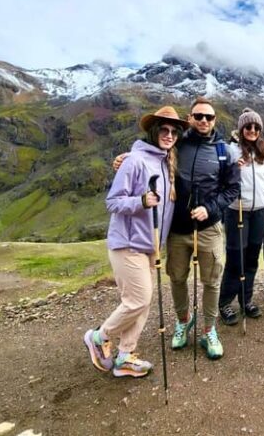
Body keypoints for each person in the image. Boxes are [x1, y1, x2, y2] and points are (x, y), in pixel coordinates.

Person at [113, 97, 240, 360]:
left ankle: (208, 330)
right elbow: (148, 156)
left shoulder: (224, 151)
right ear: (191, 118)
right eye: (198, 116)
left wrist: (211, 209)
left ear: (215, 120)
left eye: (209, 117)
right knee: (178, 278)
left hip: (209, 228)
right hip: (176, 229)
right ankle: (184, 321)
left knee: (211, 281)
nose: (204, 120)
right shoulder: (176, 143)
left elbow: (232, 189)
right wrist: (124, 159)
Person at [84, 106, 188, 377]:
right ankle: (99, 337)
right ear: (154, 131)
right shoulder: (135, 160)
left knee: (141, 300)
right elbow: (113, 201)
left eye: (173, 131)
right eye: (163, 130)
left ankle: (125, 357)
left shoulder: (166, 162)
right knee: (138, 300)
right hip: (127, 243)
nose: (168, 135)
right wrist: (141, 202)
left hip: (149, 246)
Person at [219, 109, 264, 324]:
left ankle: (246, 300)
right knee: (236, 258)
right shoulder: (230, 149)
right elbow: (221, 179)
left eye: (256, 127)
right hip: (237, 210)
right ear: (241, 129)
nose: (252, 131)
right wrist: (234, 168)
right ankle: (225, 303)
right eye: (248, 127)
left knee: (252, 257)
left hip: (261, 210)